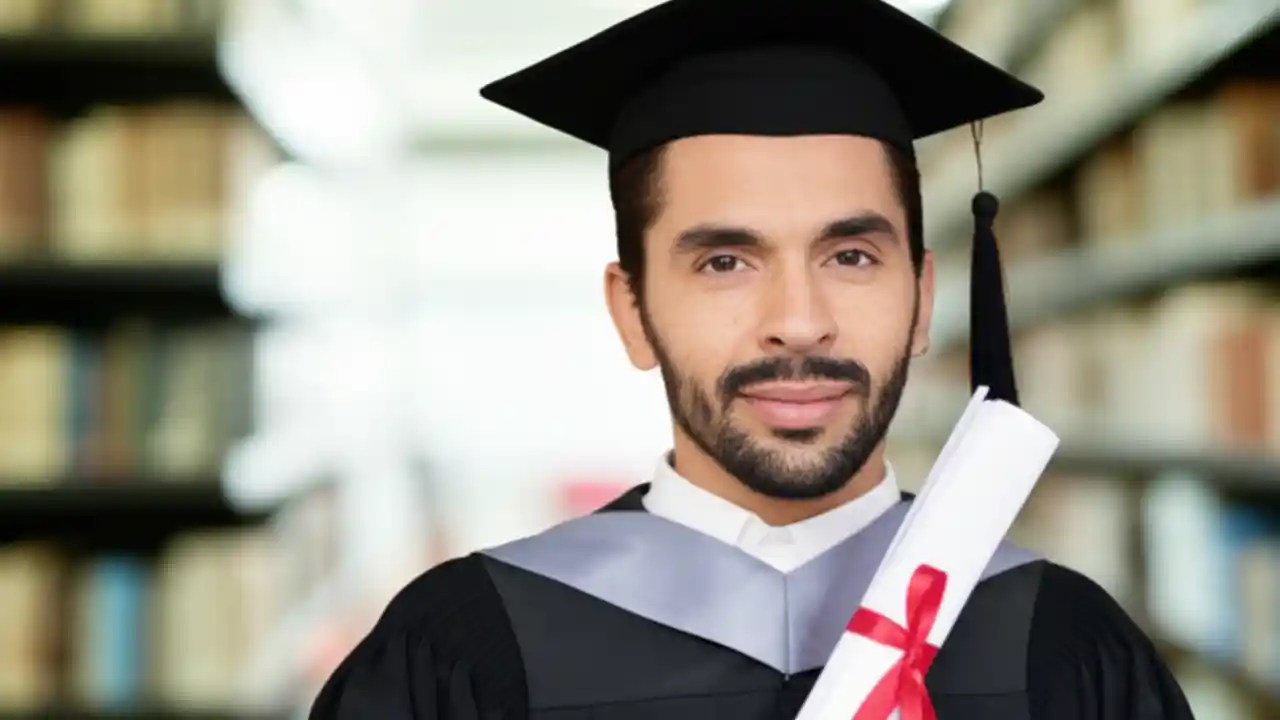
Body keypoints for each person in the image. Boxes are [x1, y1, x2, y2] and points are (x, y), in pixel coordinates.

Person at [311, 1, 1195, 718]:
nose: (799, 323)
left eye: (850, 256)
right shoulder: (463, 653)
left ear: (923, 300)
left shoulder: (1068, 648)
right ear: (633, 313)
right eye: (725, 262)